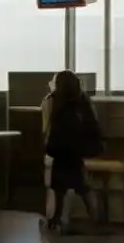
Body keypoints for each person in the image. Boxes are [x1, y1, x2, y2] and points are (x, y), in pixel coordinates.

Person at [42, 70, 103, 234]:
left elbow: (49, 132)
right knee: (81, 187)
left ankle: (57, 220)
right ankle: (95, 219)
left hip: (61, 153)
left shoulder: (56, 103)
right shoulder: (82, 102)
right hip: (76, 153)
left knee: (60, 188)